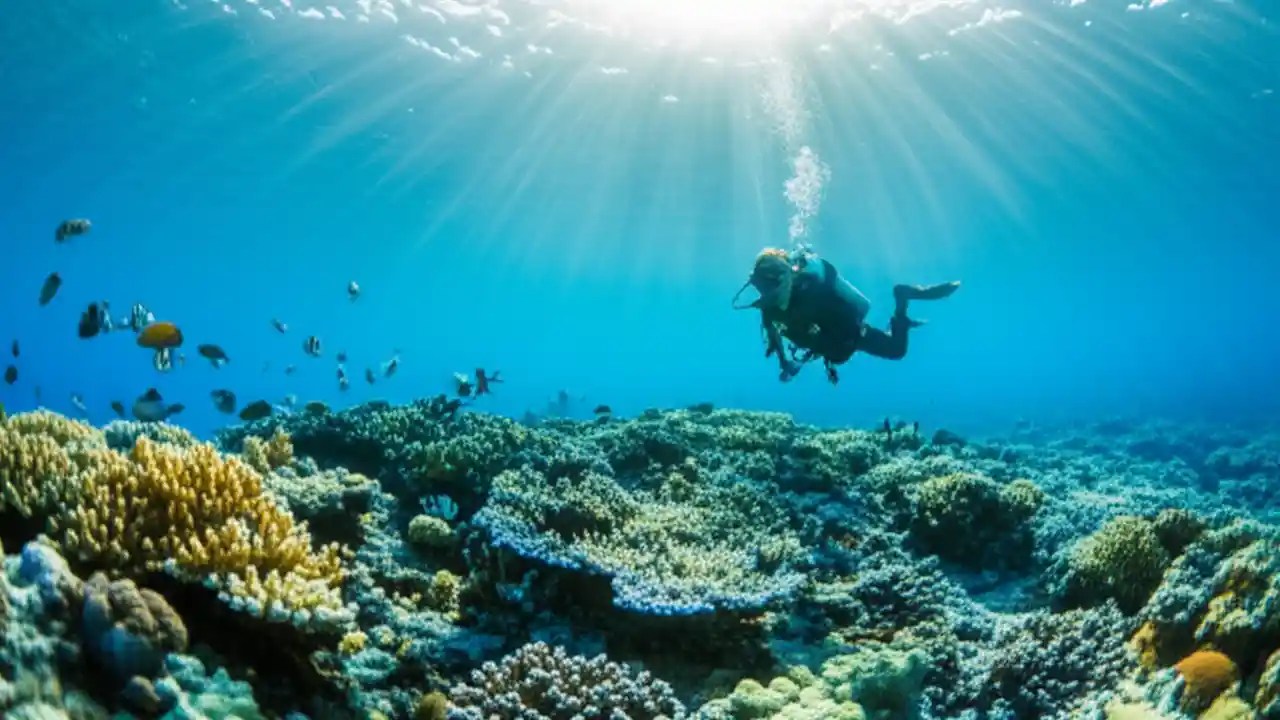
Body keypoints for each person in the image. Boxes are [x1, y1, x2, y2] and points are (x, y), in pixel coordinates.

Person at [732, 246, 959, 384]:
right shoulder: (770, 308)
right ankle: (902, 309)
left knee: (897, 351)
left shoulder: (806, 286)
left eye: (768, 286)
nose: (766, 293)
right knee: (894, 349)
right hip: (842, 340)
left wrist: (789, 361)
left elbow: (812, 329)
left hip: (851, 335)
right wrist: (784, 362)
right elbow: (775, 334)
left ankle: (902, 297)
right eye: (761, 288)